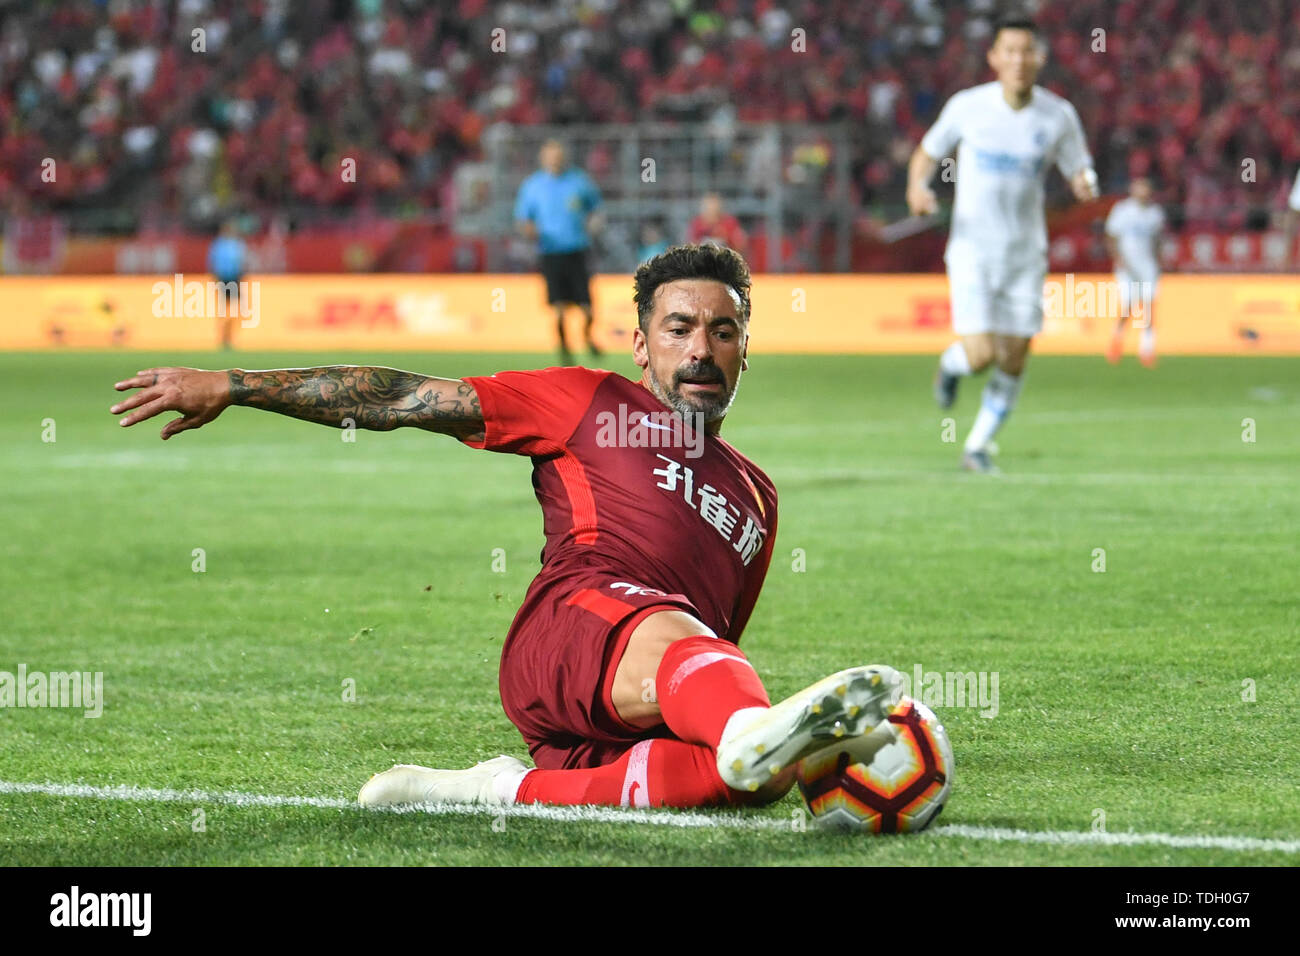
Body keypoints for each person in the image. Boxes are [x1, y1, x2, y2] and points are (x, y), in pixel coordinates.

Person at [110, 244, 903, 809]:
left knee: (748, 780)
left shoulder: (756, 498)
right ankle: (751, 729)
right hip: (572, 627)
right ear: (640, 346)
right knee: (712, 679)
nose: (702, 349)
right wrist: (238, 383)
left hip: (637, 687)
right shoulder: (589, 399)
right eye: (679, 329)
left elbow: (714, 641)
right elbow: (399, 397)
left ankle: (488, 789)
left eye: (723, 332)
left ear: (744, 351)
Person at [908, 14, 1099, 474]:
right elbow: (928, 152)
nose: (1018, 59)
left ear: (1040, 57)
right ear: (994, 57)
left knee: (1014, 355)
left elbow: (1079, 167)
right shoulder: (968, 107)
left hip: (1025, 253)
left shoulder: (1058, 115)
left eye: (1026, 50)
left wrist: (1084, 182)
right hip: (974, 251)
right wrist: (918, 188)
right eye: (1008, 50)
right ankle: (952, 366)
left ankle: (976, 447)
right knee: (981, 354)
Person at [515, 140, 603, 365]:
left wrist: (593, 223)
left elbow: (595, 208)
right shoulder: (533, 185)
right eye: (551, 156)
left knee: (587, 307)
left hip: (576, 250)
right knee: (559, 307)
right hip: (551, 253)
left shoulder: (579, 181)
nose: (555, 159)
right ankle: (565, 350)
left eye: (558, 155)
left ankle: (587, 335)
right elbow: (524, 218)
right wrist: (530, 231)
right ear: (543, 158)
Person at [1104, 177, 1165, 367]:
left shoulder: (1155, 213)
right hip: (1127, 267)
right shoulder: (1122, 210)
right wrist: (1118, 258)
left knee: (1148, 308)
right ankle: (1117, 339)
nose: (1142, 191)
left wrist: (1158, 261)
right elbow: (1111, 235)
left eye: (1145, 188)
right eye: (1139, 187)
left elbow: (1157, 240)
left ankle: (1147, 349)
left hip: (1147, 268)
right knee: (1127, 306)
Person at [207, 219, 247, 350]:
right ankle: (224, 336)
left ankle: (229, 335)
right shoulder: (219, 244)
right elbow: (213, 263)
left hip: (235, 278)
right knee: (224, 309)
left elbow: (242, 262)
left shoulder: (237, 244)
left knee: (235, 309)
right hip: (223, 279)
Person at [687, 192, 749, 258]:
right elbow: (691, 245)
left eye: (714, 205)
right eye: (709, 206)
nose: (712, 209)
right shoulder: (697, 224)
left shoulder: (729, 222)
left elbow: (740, 242)